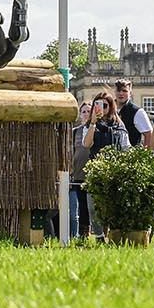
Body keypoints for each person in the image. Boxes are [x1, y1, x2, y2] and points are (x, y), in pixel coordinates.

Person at [81, 91, 131, 238]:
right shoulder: (90, 125)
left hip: (115, 169)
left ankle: (111, 235)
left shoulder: (119, 125)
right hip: (95, 169)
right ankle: (99, 236)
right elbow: (87, 144)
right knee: (93, 207)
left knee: (112, 206)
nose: (102, 108)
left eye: (105, 105)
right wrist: (93, 123)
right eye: (98, 104)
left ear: (111, 107)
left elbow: (126, 147)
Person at [68, 102, 93, 241]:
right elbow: (71, 152)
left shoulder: (97, 129)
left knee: (93, 207)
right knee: (82, 206)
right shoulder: (75, 131)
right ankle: (84, 235)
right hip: (78, 174)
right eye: (83, 111)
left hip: (93, 174)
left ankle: (101, 234)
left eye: (89, 111)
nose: (86, 114)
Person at [113, 79, 154, 150]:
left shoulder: (137, 112)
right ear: (115, 92)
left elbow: (149, 134)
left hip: (130, 156)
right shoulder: (109, 108)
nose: (121, 93)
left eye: (124, 91)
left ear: (130, 93)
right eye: (118, 91)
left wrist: (142, 155)